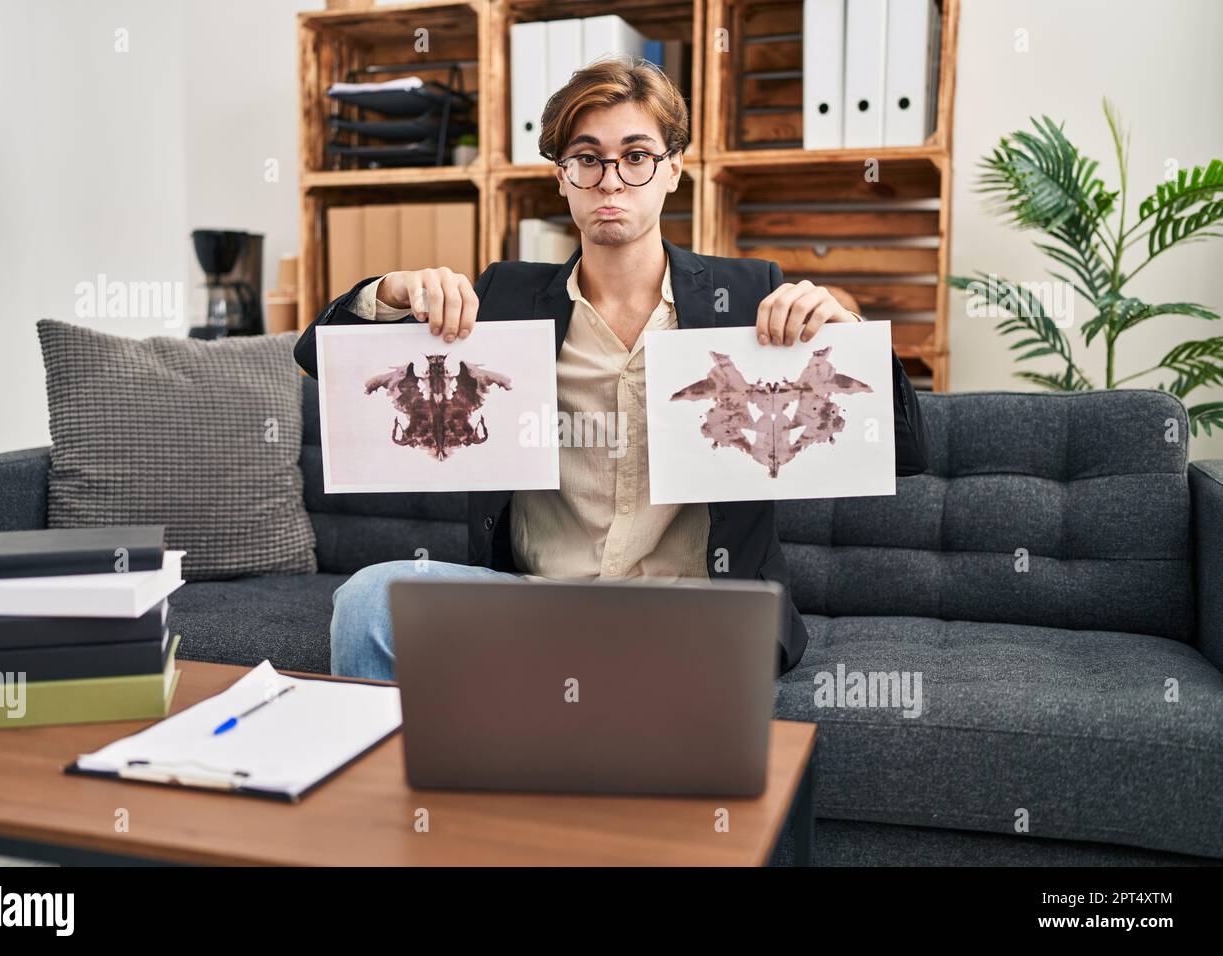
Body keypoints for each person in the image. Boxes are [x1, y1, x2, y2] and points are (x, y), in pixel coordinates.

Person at [294, 56, 931, 682]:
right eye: (586, 157)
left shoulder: (745, 298)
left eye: (636, 155)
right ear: (562, 176)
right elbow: (317, 360)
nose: (610, 179)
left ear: (674, 169)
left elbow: (903, 450)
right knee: (369, 600)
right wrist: (387, 293)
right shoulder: (506, 300)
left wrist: (847, 333)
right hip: (538, 602)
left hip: (696, 614)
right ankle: (393, 782)